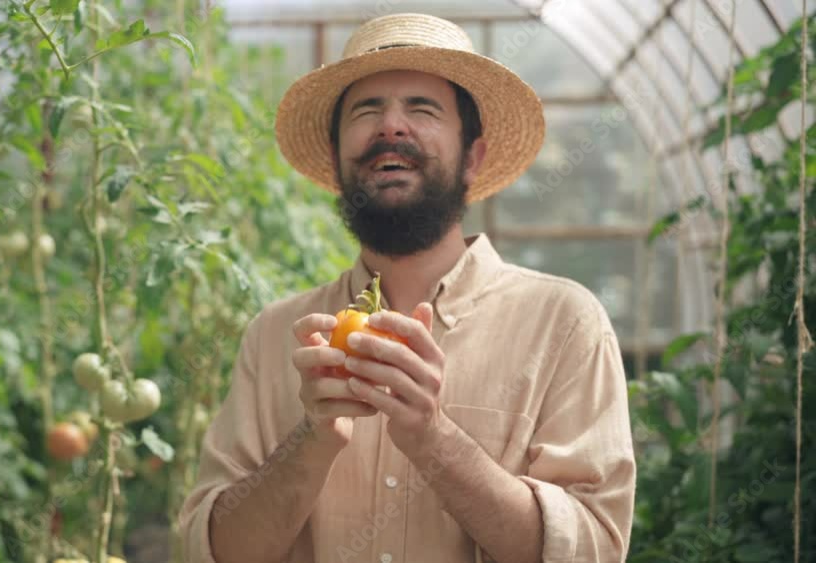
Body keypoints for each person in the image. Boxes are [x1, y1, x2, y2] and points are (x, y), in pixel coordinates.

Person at [179, 12, 636, 563]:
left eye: (422, 108)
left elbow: (592, 552)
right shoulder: (275, 335)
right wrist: (313, 438)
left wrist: (433, 438)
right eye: (367, 109)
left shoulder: (564, 323)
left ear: (473, 157)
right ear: (334, 159)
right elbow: (217, 553)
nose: (391, 127)